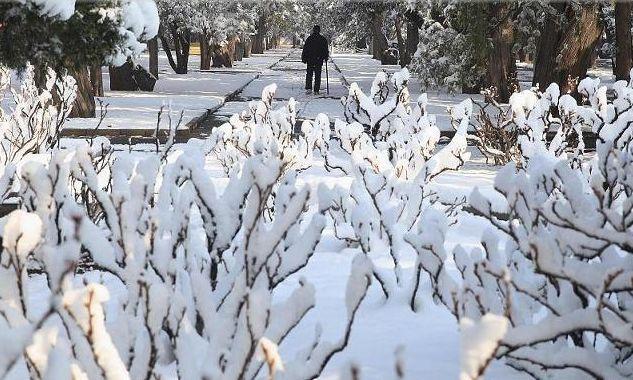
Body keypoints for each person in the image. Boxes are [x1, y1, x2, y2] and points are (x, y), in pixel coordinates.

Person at [302, 25, 329, 95]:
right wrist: (325, 56)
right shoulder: (322, 39)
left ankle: (311, 88)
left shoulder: (310, 38)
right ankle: (314, 89)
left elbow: (305, 49)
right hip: (316, 59)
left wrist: (304, 58)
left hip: (313, 59)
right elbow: (325, 50)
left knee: (311, 74)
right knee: (316, 75)